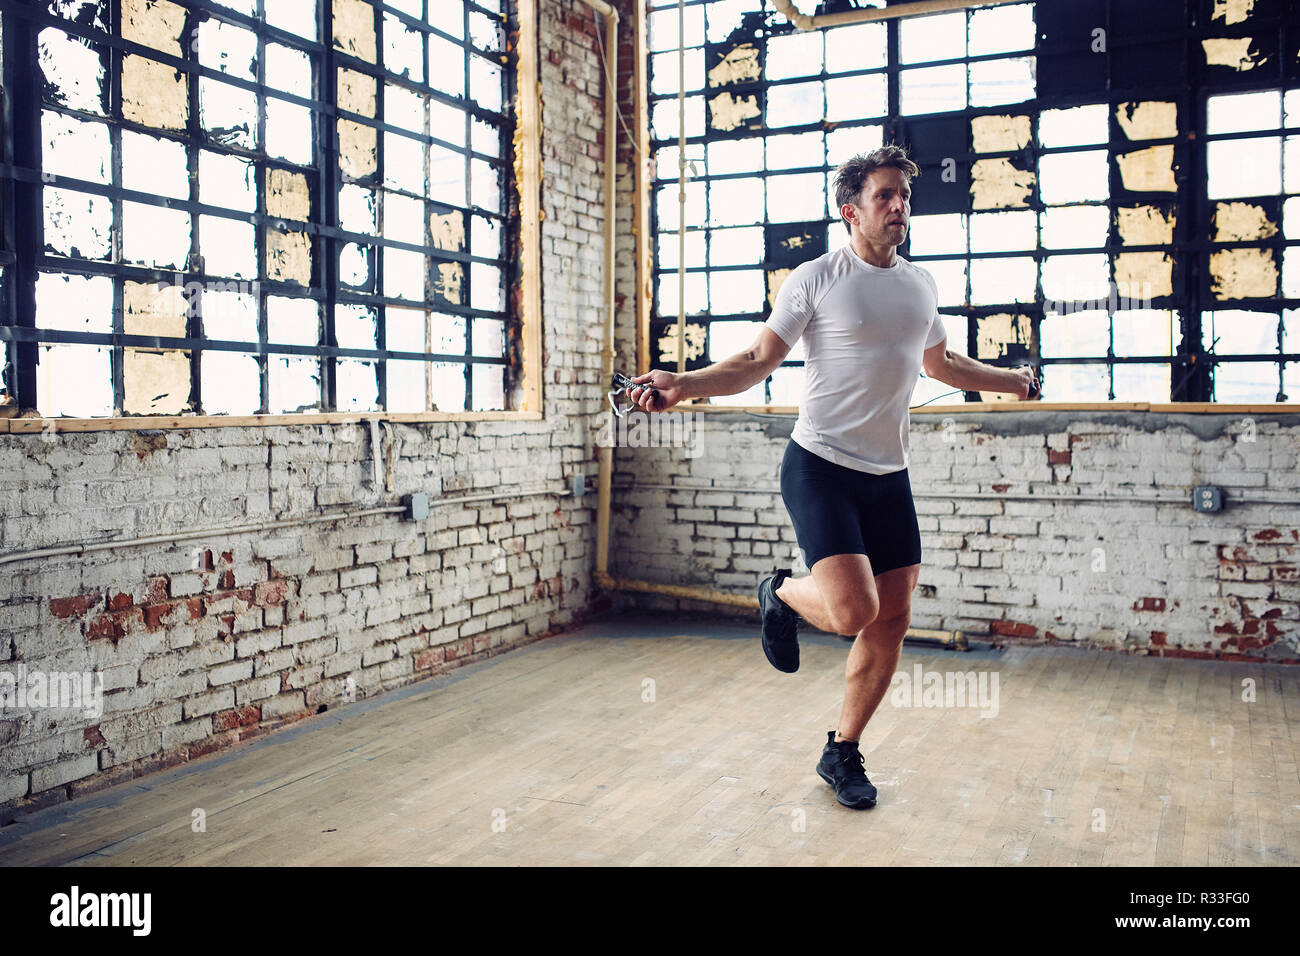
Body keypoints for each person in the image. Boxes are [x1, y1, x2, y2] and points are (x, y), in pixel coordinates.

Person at [627, 145, 1037, 810]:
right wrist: (684, 387)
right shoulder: (815, 278)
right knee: (853, 611)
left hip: (888, 475)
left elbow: (943, 363)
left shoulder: (920, 285)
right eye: (885, 196)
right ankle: (781, 593)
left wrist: (1010, 382)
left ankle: (841, 750)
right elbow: (757, 359)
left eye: (904, 194)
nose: (900, 206)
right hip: (820, 466)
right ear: (850, 210)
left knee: (892, 619)